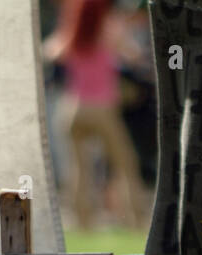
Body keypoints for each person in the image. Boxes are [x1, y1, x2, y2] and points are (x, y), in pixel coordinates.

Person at [45, 0, 151, 229]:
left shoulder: (71, 30)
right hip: (102, 108)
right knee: (126, 165)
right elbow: (133, 56)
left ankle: (83, 224)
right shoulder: (108, 29)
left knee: (79, 171)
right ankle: (136, 222)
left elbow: (51, 53)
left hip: (72, 107)